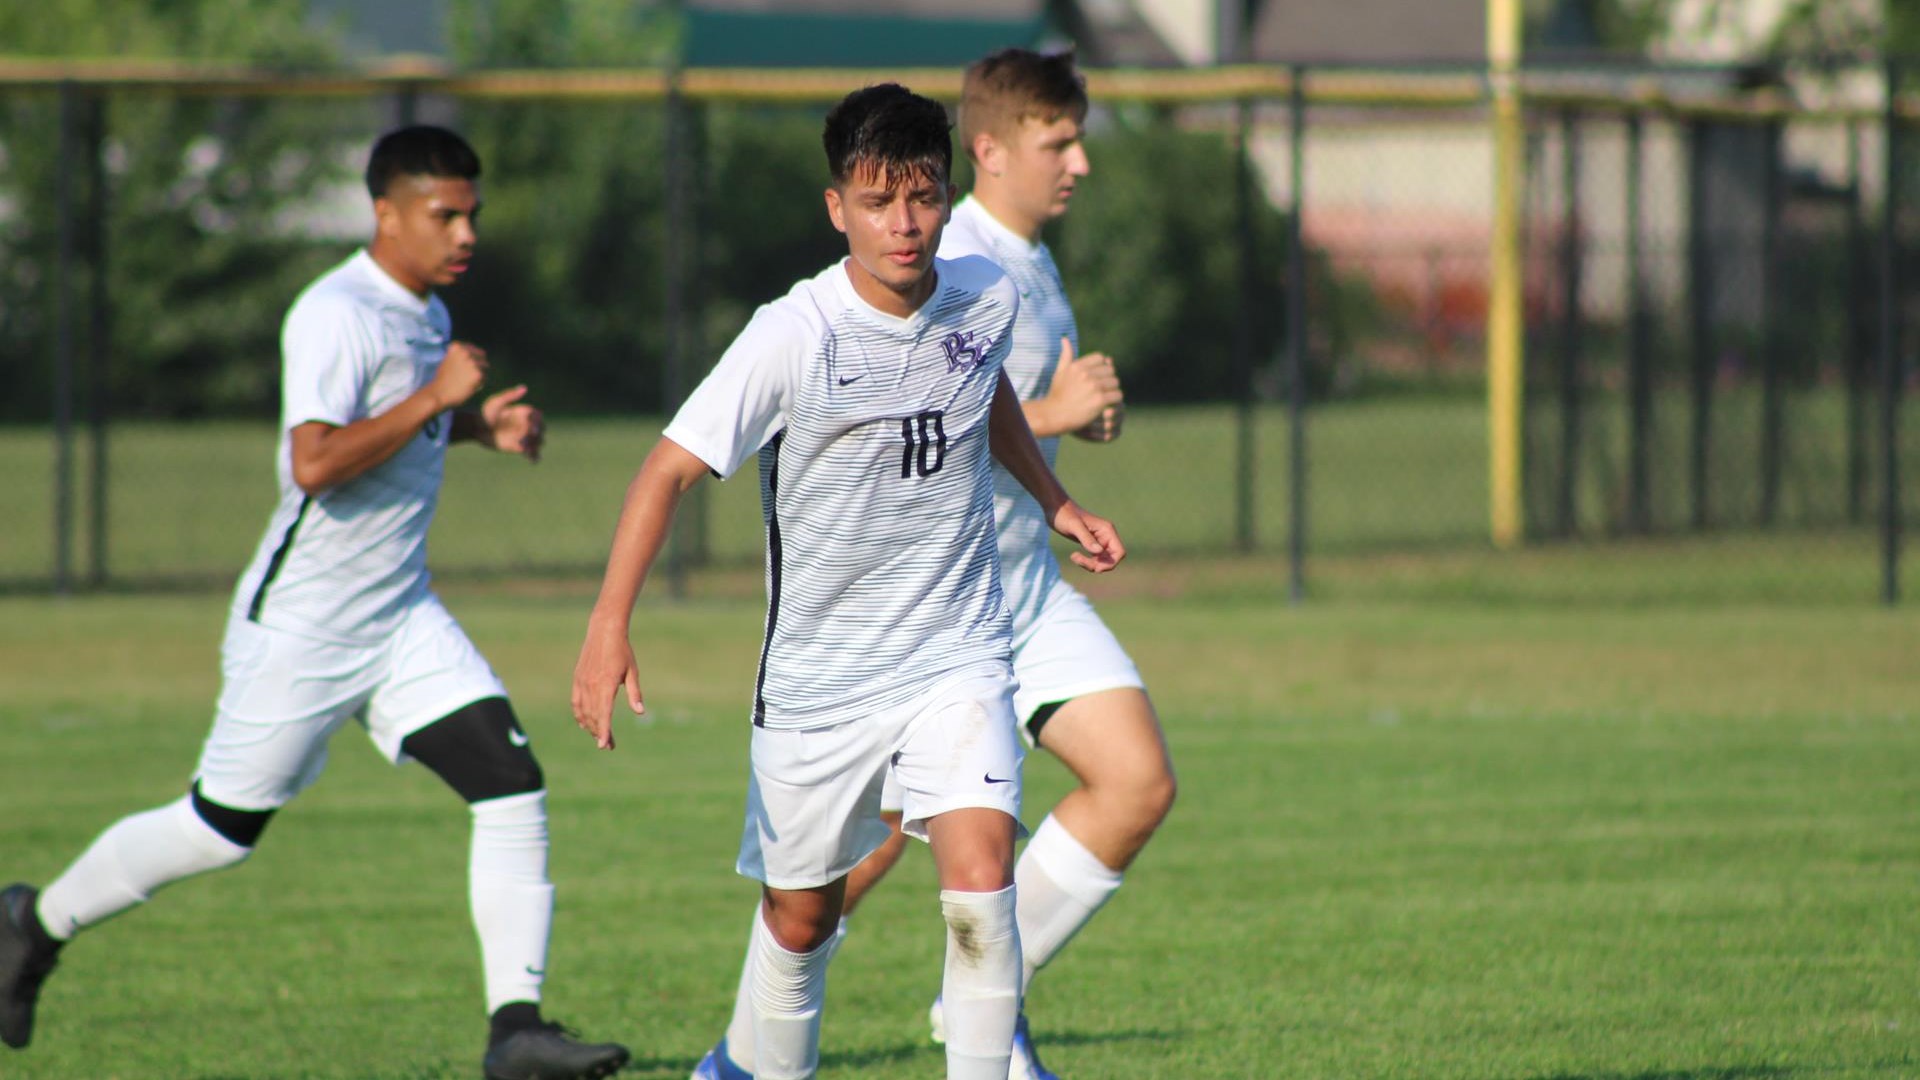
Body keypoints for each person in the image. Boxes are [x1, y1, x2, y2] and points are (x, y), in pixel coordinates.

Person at [0, 126, 629, 1080]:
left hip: (400, 616)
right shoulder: (336, 312)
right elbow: (316, 460)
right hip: (305, 628)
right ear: (386, 214)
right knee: (218, 832)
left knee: (511, 784)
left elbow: (397, 425)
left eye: (471, 215)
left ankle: (517, 1034)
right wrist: (437, 402)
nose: (465, 234)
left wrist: (473, 425)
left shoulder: (423, 310)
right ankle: (32, 922)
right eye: (444, 215)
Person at [569, 84, 1123, 1080]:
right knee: (802, 915)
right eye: (877, 202)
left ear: (947, 193)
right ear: (837, 208)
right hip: (820, 681)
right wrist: (609, 626)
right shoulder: (793, 335)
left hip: (957, 649)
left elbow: (982, 383)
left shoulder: (984, 292)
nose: (903, 224)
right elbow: (665, 471)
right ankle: (748, 1067)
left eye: (923, 197)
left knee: (981, 882)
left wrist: (1053, 498)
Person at [703, 49, 1176, 1080]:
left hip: (1020, 589)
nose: (1080, 163)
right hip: (926, 608)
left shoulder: (1019, 266)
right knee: (845, 868)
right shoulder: (935, 249)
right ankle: (745, 1055)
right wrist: (1059, 414)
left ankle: (985, 1011)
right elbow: (920, 419)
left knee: (1132, 782)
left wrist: (1062, 463)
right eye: (1060, 143)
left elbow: (988, 401)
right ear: (991, 151)